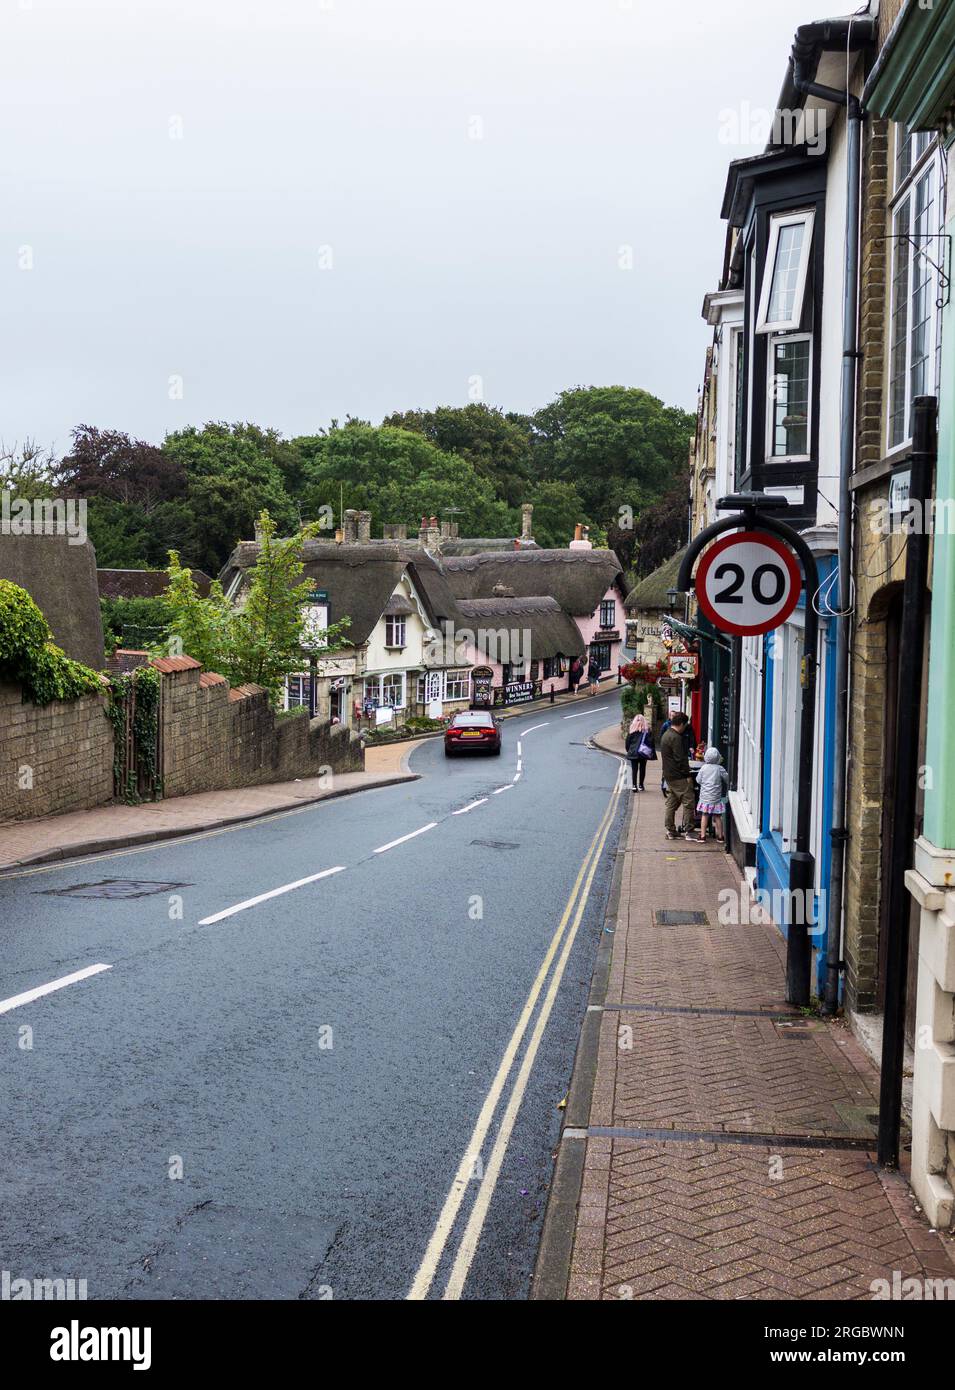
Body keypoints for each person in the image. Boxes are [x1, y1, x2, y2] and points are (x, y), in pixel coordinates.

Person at [660, 711, 697, 841]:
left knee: (672, 802)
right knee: (689, 800)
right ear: (681, 724)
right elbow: (680, 759)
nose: (685, 728)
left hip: (669, 774)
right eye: (685, 725)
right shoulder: (676, 738)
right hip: (678, 775)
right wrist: (687, 775)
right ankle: (689, 831)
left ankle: (670, 831)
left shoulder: (666, 735)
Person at [695, 747, 728, 842]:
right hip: (716, 798)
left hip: (705, 798)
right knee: (717, 816)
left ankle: (702, 835)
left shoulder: (703, 768)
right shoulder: (719, 768)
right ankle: (720, 836)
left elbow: (698, 780)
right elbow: (727, 778)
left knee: (704, 815)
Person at [625, 713, 655, 791]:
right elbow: (651, 742)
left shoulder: (631, 731)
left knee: (634, 769)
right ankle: (641, 785)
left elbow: (627, 743)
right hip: (643, 752)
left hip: (633, 752)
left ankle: (634, 786)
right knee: (642, 768)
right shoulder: (647, 731)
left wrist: (629, 750)